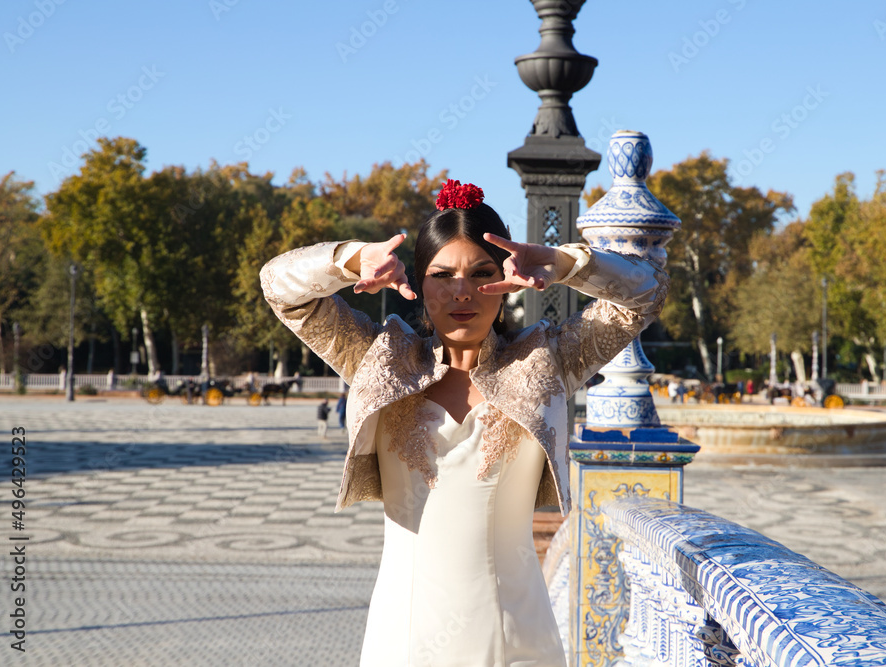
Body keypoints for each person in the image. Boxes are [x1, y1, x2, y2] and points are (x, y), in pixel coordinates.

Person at [260, 179, 668, 666]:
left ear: (507, 279)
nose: (462, 292)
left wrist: (564, 264)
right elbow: (279, 287)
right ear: (417, 280)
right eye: (442, 274)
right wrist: (350, 259)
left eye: (481, 273)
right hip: (404, 635)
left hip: (516, 636)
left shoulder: (546, 362)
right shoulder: (380, 359)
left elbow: (647, 293)